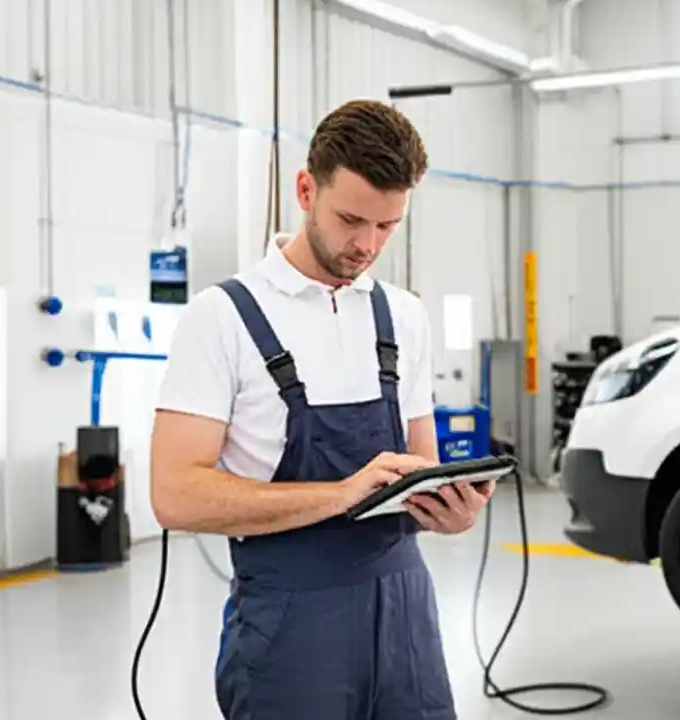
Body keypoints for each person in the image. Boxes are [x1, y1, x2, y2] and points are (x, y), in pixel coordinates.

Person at [150, 99, 493, 719]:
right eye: (351, 219)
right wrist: (341, 495)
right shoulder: (222, 317)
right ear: (306, 190)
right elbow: (174, 495)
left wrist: (450, 511)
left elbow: (422, 467)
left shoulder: (404, 316)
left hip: (407, 617)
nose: (367, 245)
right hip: (291, 629)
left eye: (387, 226)